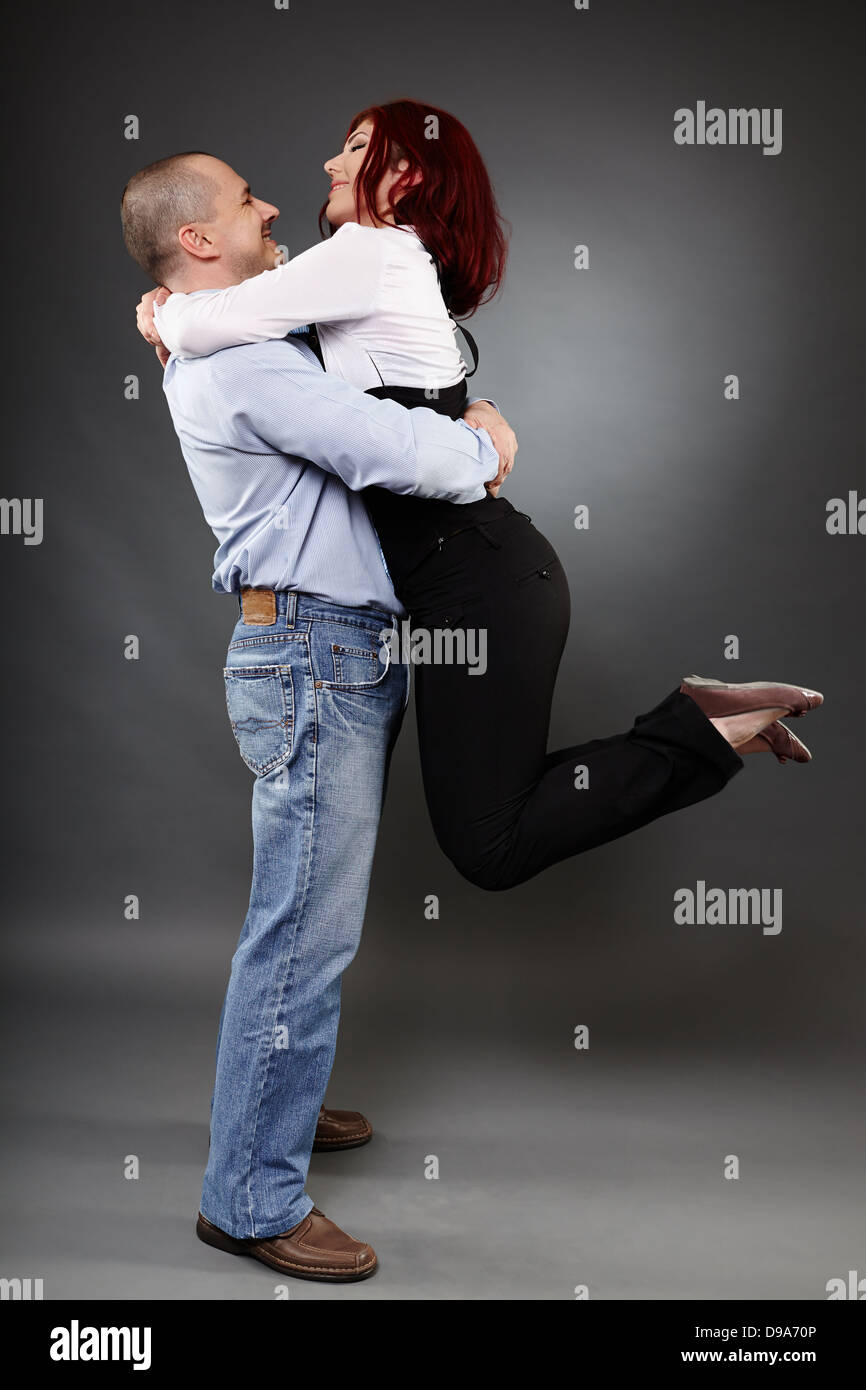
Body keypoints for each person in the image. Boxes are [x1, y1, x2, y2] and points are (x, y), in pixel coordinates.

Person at [138, 99, 824, 899]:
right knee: (496, 815)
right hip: (479, 577)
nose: (329, 165)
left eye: (355, 148)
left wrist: (167, 310)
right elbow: (267, 312)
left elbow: (233, 313)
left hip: (476, 580)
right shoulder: (371, 264)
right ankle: (696, 726)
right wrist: (482, 417)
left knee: (489, 843)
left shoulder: (369, 247)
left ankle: (698, 728)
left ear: (407, 175)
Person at [121, 150, 506, 1283]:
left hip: (326, 649)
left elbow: (350, 360)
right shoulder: (241, 362)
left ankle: (271, 1106)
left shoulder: (226, 333)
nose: (273, 204)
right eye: (245, 201)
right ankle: (247, 1194)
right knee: (301, 928)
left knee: (306, 918)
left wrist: (169, 314)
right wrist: (486, 444)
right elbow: (385, 444)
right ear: (198, 241)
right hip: (313, 652)